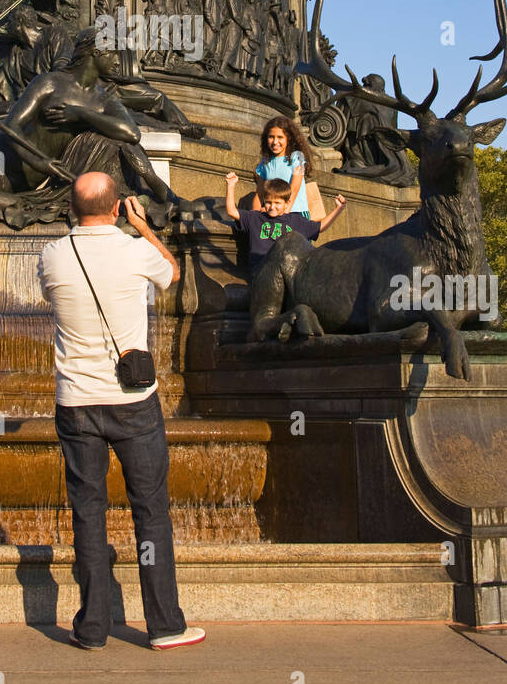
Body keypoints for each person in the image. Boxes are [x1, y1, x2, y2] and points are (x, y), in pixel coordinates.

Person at [38, 172, 205, 652]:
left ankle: (91, 628)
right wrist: (143, 226)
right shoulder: (136, 251)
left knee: (87, 513)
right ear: (116, 208)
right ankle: (165, 625)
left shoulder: (52, 255)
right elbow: (172, 272)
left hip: (76, 403)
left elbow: (55, 299)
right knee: (150, 511)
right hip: (133, 402)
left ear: (72, 209)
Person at [226, 175, 346, 273]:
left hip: (287, 271)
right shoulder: (255, 218)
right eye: (268, 202)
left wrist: (338, 209)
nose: (272, 207)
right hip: (262, 272)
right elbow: (232, 211)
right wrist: (230, 186)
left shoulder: (295, 221)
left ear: (287, 203)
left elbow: (320, 227)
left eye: (277, 203)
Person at [250, 115, 313, 216]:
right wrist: (254, 216)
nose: (275, 142)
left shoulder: (298, 157)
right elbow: (259, 194)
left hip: (295, 214)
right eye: (271, 137)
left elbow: (294, 190)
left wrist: (282, 213)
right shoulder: (265, 161)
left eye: (280, 137)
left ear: (289, 139)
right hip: (273, 214)